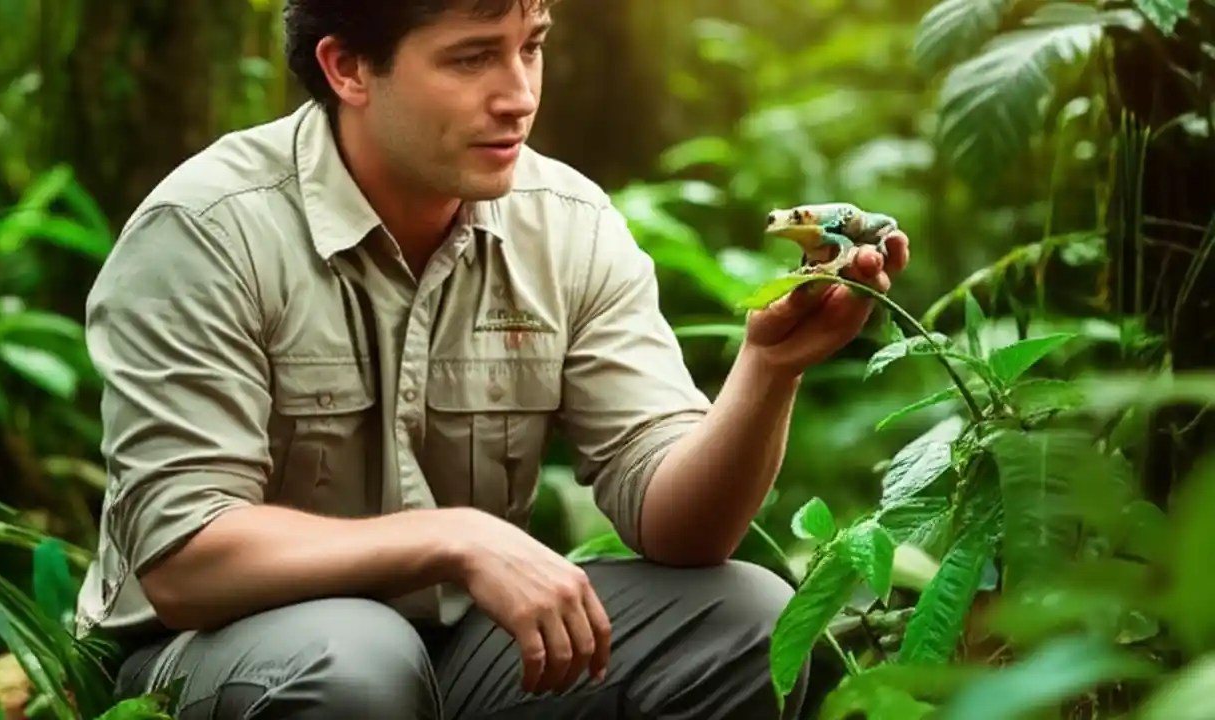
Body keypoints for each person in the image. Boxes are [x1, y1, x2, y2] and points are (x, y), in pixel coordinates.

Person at [73, 0, 910, 717]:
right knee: (354, 663)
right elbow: (185, 559)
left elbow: (682, 528)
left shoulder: (569, 225)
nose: (518, 95)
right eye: (472, 58)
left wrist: (768, 371)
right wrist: (454, 538)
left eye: (532, 45)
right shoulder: (207, 231)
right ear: (348, 69)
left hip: (453, 649)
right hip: (204, 658)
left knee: (747, 621)